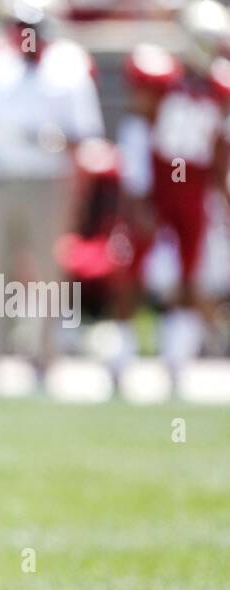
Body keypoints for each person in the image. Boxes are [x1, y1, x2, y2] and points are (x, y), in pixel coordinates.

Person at [0, 0, 103, 375]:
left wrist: (75, 190)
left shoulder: (69, 70)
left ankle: (44, 354)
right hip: (2, 179)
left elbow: (85, 139)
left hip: (48, 181)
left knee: (47, 269)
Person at [117, 0, 230, 380]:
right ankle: (123, 348)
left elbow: (218, 149)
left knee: (189, 269)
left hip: (193, 186)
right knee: (132, 263)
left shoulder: (219, 87)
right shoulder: (162, 79)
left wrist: (222, 195)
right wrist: (138, 194)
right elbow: (139, 132)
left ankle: (176, 356)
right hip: (162, 181)